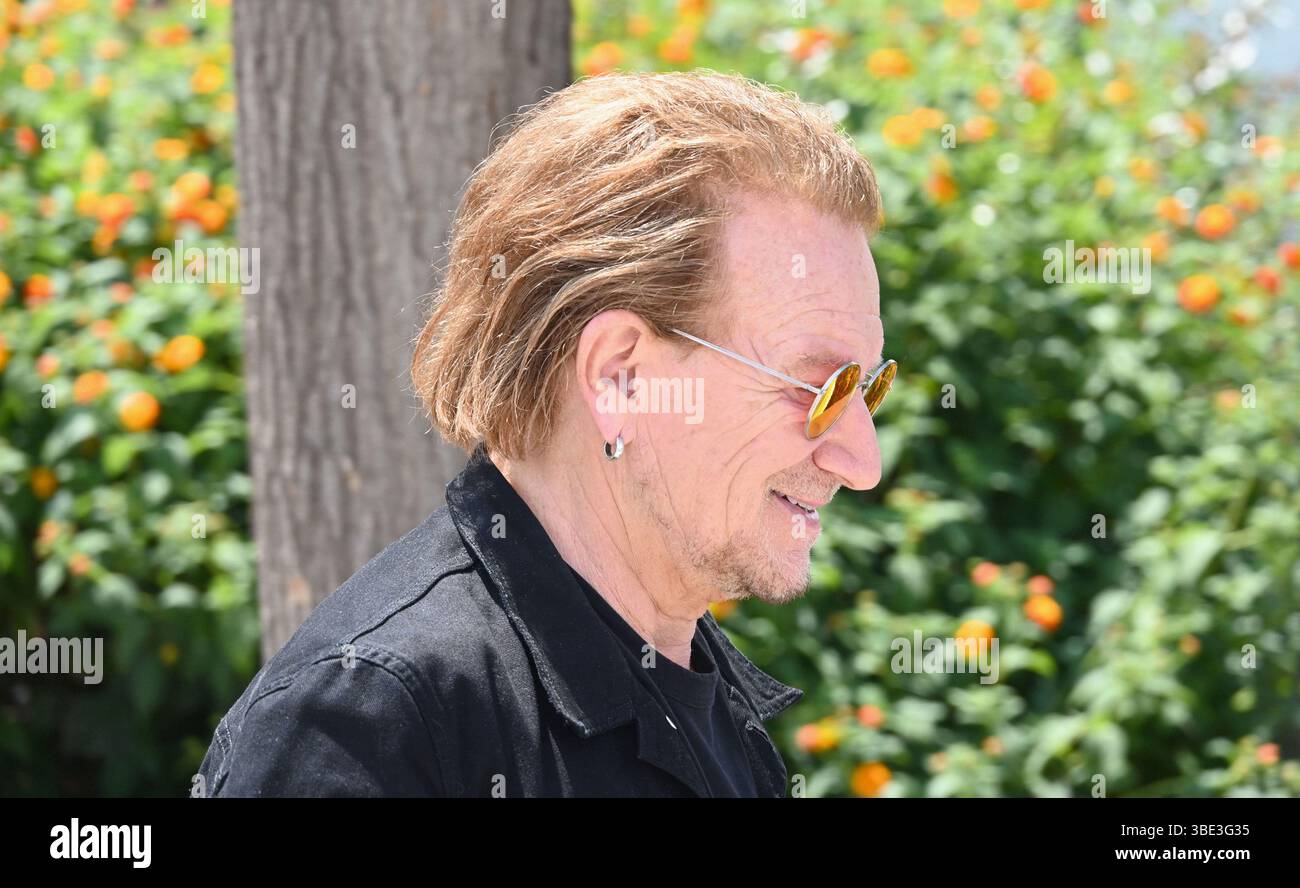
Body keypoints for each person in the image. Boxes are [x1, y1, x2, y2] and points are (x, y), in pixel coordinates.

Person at [196, 70, 894, 797]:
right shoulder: (375, 724)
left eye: (870, 387)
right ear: (621, 376)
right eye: (819, 387)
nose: (863, 459)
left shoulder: (688, 684)